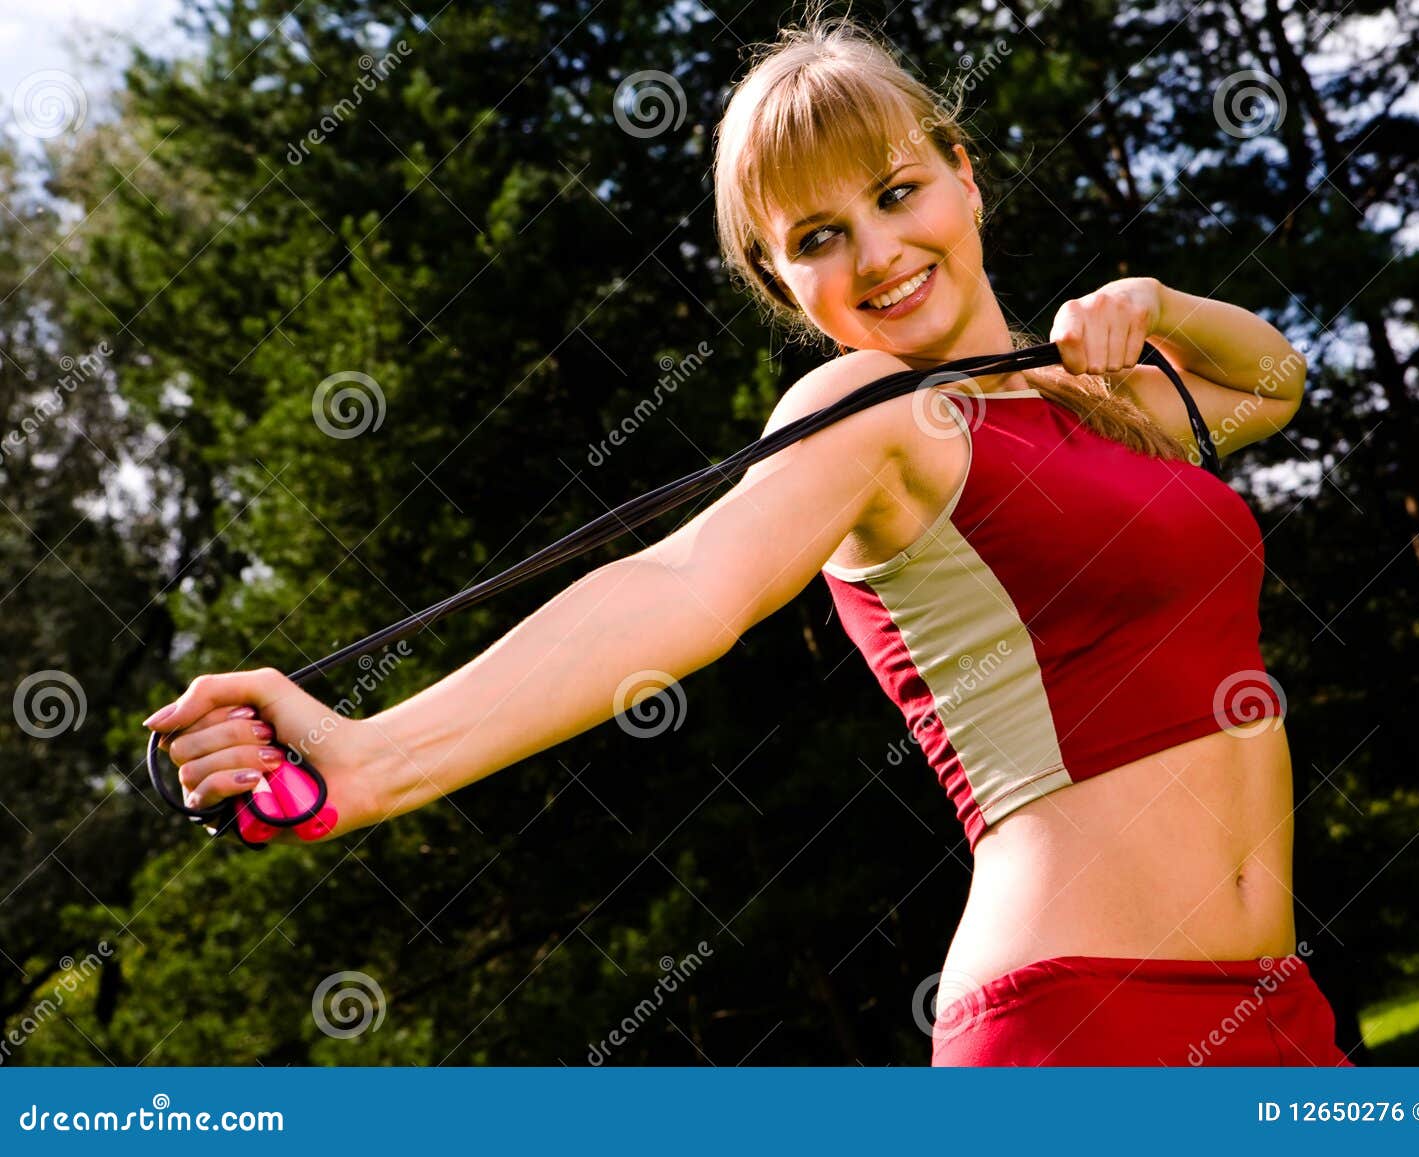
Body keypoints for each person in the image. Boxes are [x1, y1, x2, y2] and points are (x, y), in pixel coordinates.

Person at [142, 13, 1347, 1067]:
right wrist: (369, 758)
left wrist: (1160, 305)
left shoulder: (1097, 401)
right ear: (780, 284)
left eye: (893, 192)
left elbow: (1278, 382)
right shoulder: (873, 415)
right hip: (1084, 1022)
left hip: (1277, 1008)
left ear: (963, 177)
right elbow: (682, 584)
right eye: (814, 237)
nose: (875, 255)